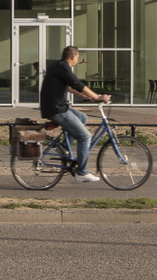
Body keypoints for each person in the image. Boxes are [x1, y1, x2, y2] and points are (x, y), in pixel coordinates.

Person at [39, 43, 110, 183]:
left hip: (56, 106)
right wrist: (98, 97)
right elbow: (77, 84)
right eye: (77, 57)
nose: (78, 60)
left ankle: (64, 148)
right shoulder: (63, 67)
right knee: (85, 137)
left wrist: (85, 97)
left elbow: (70, 87)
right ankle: (81, 172)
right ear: (73, 57)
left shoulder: (58, 66)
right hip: (56, 109)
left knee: (83, 118)